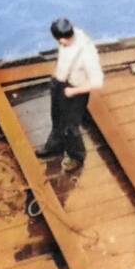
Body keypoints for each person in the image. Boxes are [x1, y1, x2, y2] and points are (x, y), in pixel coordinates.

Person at [36, 18, 104, 172]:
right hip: (61, 84)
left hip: (76, 91)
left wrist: (73, 91)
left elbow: (97, 82)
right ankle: (55, 146)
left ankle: (77, 156)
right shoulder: (70, 37)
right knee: (57, 117)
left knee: (70, 127)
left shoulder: (87, 54)